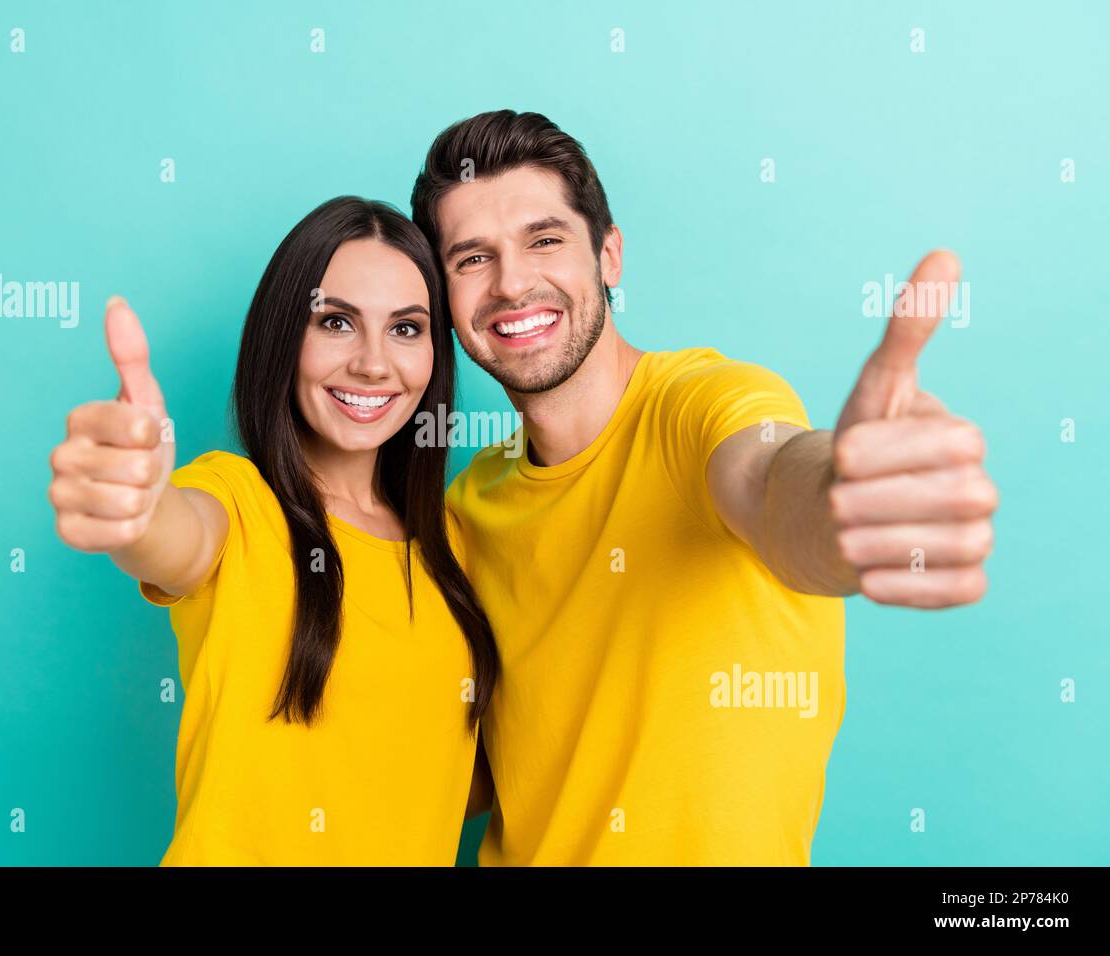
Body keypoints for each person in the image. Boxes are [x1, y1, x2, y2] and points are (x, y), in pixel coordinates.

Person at [411, 110, 999, 865]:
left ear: (609, 255)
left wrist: (848, 501)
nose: (512, 282)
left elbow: (771, 483)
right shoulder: (465, 510)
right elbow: (471, 773)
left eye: (544, 240)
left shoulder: (706, 406)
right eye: (471, 259)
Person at [48, 196, 499, 865]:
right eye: (336, 322)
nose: (374, 364)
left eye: (406, 328)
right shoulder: (237, 501)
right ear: (283, 336)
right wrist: (135, 505)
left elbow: (447, 782)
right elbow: (176, 536)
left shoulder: (455, 549)